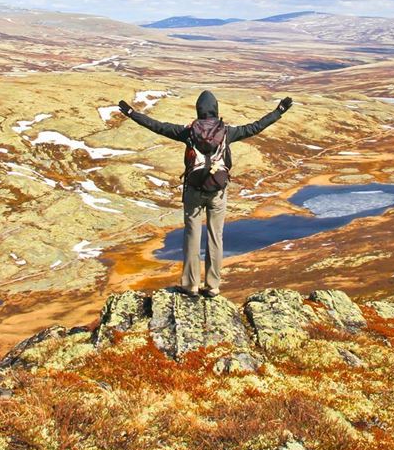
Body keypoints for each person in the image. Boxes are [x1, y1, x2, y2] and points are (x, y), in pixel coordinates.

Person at [119, 90, 293, 297]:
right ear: (215, 110)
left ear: (198, 110)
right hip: (217, 191)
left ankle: (190, 285)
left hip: (193, 191)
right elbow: (255, 127)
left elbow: (157, 126)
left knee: (192, 235)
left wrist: (131, 113)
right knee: (215, 236)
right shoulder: (227, 131)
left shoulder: (188, 131)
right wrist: (278, 111)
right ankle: (213, 286)